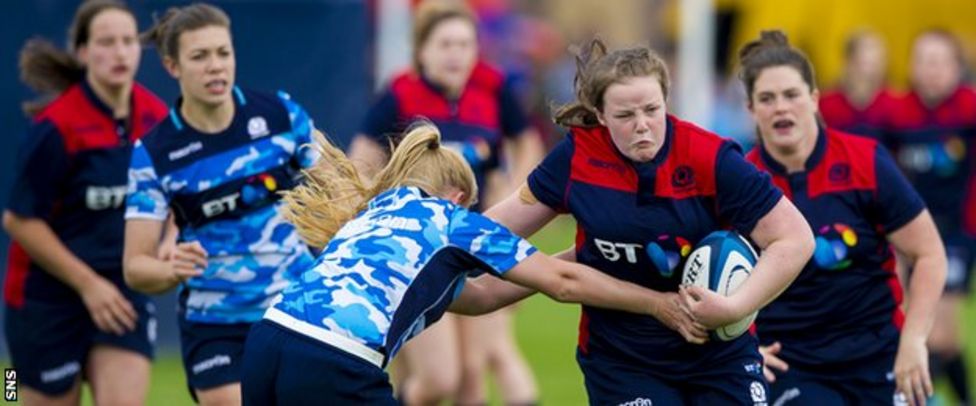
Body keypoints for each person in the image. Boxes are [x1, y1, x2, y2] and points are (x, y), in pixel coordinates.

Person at [240, 122, 700, 405]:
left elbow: (481, 296)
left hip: (267, 343)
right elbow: (561, 284)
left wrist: (582, 252)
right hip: (335, 361)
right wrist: (657, 303)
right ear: (460, 197)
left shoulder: (376, 213)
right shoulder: (451, 219)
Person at [484, 38, 815, 405]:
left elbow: (795, 238)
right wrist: (433, 232)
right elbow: (489, 232)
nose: (642, 126)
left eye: (652, 110)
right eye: (625, 116)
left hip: (719, 356)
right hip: (624, 362)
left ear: (666, 101)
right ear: (600, 114)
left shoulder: (709, 157)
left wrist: (735, 307)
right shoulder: (576, 158)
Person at [348, 1, 545, 404]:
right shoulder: (400, 94)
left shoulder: (492, 88)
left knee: (473, 375)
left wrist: (514, 189)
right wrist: (380, 210)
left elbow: (528, 142)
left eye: (464, 44)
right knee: (440, 380)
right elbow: (361, 161)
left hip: (473, 250)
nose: (456, 54)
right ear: (422, 51)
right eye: (445, 44)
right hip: (420, 254)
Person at [738, 30, 947, 406]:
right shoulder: (740, 181)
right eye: (767, 99)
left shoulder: (865, 161)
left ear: (815, 99)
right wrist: (745, 347)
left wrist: (914, 341)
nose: (781, 108)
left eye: (791, 95)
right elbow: (716, 276)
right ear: (751, 109)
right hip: (793, 365)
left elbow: (929, 253)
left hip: (879, 355)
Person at [122, 4, 318, 405]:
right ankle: (10, 389)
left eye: (223, 53)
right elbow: (136, 266)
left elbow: (338, 188)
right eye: (200, 56)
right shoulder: (155, 153)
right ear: (172, 66)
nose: (215, 66)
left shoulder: (281, 115)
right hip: (217, 326)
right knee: (17, 390)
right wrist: (169, 268)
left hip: (296, 307)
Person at [2, 1, 167, 405]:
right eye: (106, 42)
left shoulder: (156, 118)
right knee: (14, 393)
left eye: (129, 41)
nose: (120, 52)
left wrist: (169, 241)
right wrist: (88, 285)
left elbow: (179, 193)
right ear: (83, 52)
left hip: (122, 290)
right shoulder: (57, 127)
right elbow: (18, 221)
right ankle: (10, 385)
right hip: (46, 299)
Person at [885, 29, 976, 405]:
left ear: (957, 67)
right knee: (909, 324)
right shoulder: (896, 113)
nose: (931, 70)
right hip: (907, 234)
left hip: (956, 234)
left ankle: (918, 398)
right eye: (923, 61)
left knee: (941, 337)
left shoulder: (969, 110)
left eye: (939, 62)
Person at [818, 30, 898, 140]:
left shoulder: (894, 106)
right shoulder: (825, 106)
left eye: (876, 64)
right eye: (864, 64)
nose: (869, 73)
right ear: (848, 63)